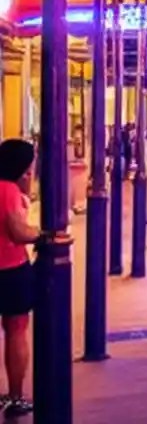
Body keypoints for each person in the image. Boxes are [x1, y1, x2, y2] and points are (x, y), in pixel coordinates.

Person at [0, 139, 39, 417]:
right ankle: (15, 396)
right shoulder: (8, 190)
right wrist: (41, 233)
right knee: (16, 330)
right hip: (10, 268)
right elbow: (17, 231)